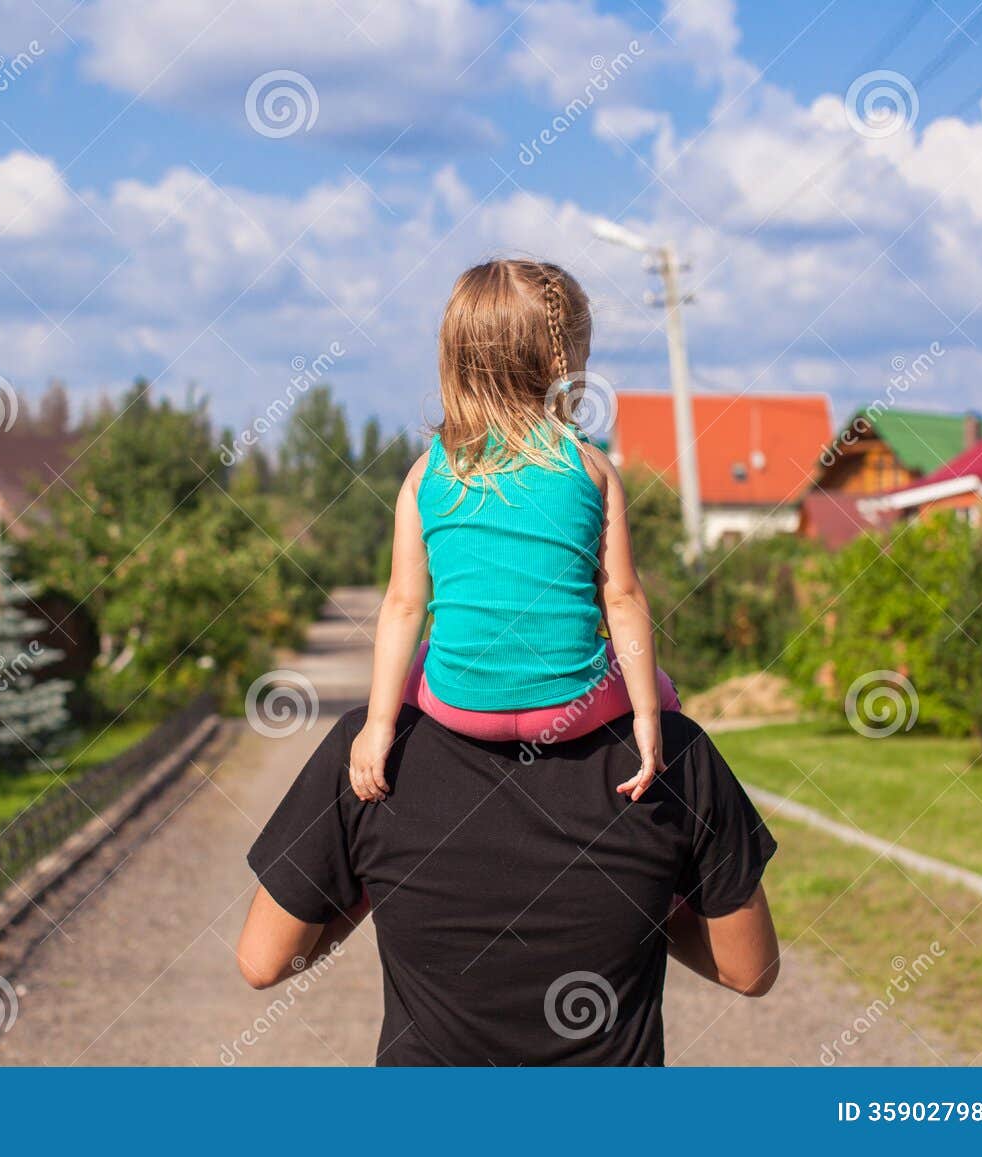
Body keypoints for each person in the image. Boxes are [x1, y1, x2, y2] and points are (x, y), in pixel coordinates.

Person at [237, 706, 779, 1066]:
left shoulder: (369, 753)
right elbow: (748, 968)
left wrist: (371, 882)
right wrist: (637, 899)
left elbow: (266, 961)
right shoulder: (667, 752)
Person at [347, 259, 680, 807]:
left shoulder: (426, 473)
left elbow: (404, 605)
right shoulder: (592, 468)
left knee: (427, 654)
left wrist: (378, 725)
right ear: (564, 363)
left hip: (458, 707)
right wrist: (648, 713)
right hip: (570, 707)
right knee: (662, 689)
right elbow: (621, 598)